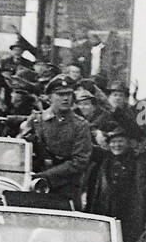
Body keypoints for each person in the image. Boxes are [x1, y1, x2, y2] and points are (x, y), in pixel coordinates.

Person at [19, 77, 92, 208]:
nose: (66, 98)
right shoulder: (37, 120)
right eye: (60, 94)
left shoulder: (80, 125)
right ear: (49, 97)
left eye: (69, 94)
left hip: (66, 188)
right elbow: (20, 150)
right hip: (36, 187)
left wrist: (45, 175)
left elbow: (80, 161)